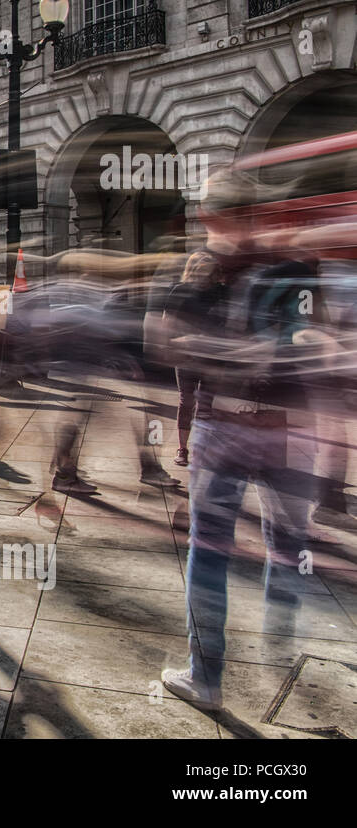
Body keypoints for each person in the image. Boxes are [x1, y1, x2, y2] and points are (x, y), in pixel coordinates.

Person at [157, 169, 323, 711]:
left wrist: (211, 343)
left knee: (208, 551)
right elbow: (313, 342)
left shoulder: (206, 273)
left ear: (208, 215)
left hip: (224, 424)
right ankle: (280, 649)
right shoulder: (300, 269)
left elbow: (164, 344)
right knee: (290, 544)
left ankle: (205, 677)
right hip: (294, 428)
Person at [167, 251, 224, 466]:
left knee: (206, 403)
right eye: (200, 267)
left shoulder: (222, 292)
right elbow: (167, 322)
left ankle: (201, 448)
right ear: (192, 269)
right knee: (186, 400)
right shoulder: (180, 291)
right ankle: (182, 449)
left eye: (209, 268)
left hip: (213, 355)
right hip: (186, 355)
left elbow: (232, 321)